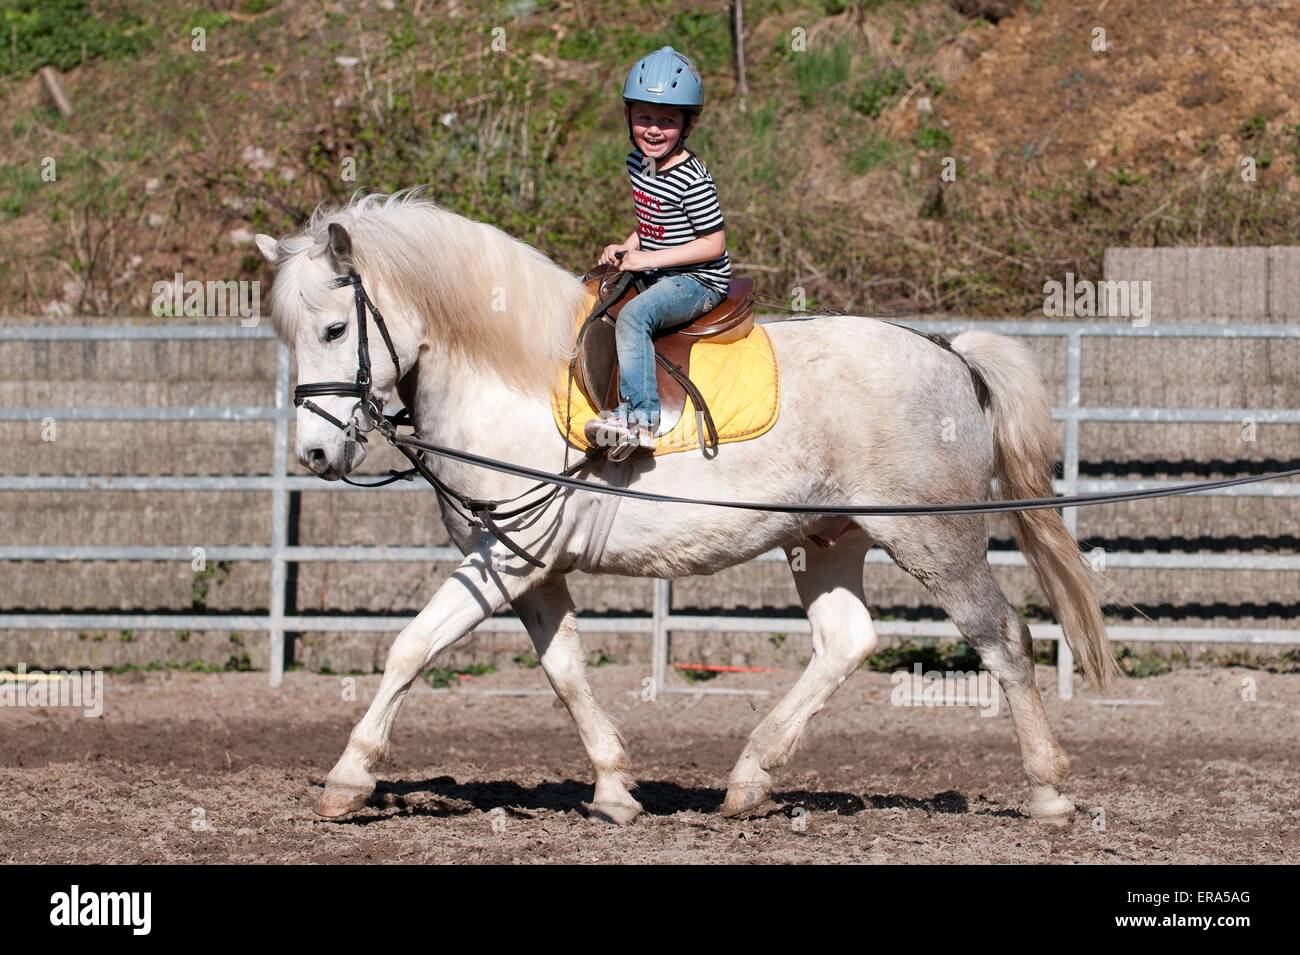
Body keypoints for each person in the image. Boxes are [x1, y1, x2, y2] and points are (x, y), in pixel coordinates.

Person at [584, 46, 731, 462]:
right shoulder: (639, 162)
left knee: (635, 316)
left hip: (699, 280)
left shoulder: (692, 179)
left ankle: (639, 419)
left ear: (688, 125)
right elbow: (653, 223)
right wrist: (627, 247)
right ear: (628, 116)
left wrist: (646, 260)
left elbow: (712, 243)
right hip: (660, 267)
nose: (653, 130)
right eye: (644, 117)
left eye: (667, 121)